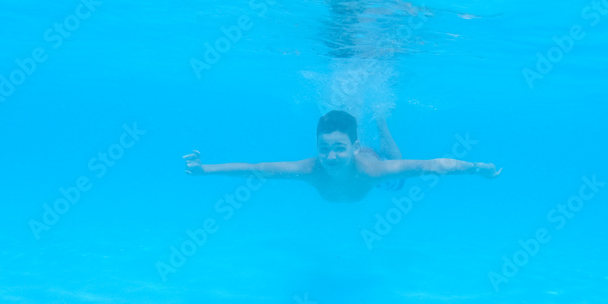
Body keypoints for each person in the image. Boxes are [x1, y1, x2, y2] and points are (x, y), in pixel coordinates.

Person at [183, 110, 501, 203]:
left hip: (373, 165)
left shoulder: (372, 172)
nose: (330, 157)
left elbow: (432, 166)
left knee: (399, 177)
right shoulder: (309, 169)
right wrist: (204, 170)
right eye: (324, 149)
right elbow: (255, 170)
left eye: (338, 148)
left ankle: (381, 121)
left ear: (353, 146)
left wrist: (477, 168)